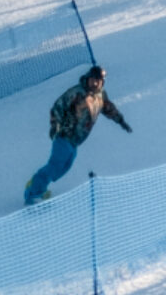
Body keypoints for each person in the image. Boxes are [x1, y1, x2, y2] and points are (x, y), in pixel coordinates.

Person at [24, 66, 130, 204]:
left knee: (65, 166)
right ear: (88, 78)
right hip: (64, 135)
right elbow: (58, 107)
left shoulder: (100, 96)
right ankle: (32, 193)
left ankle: (38, 185)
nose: (96, 83)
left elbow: (109, 108)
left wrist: (120, 121)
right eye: (93, 80)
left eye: (99, 81)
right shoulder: (77, 93)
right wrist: (55, 126)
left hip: (75, 141)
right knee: (55, 165)